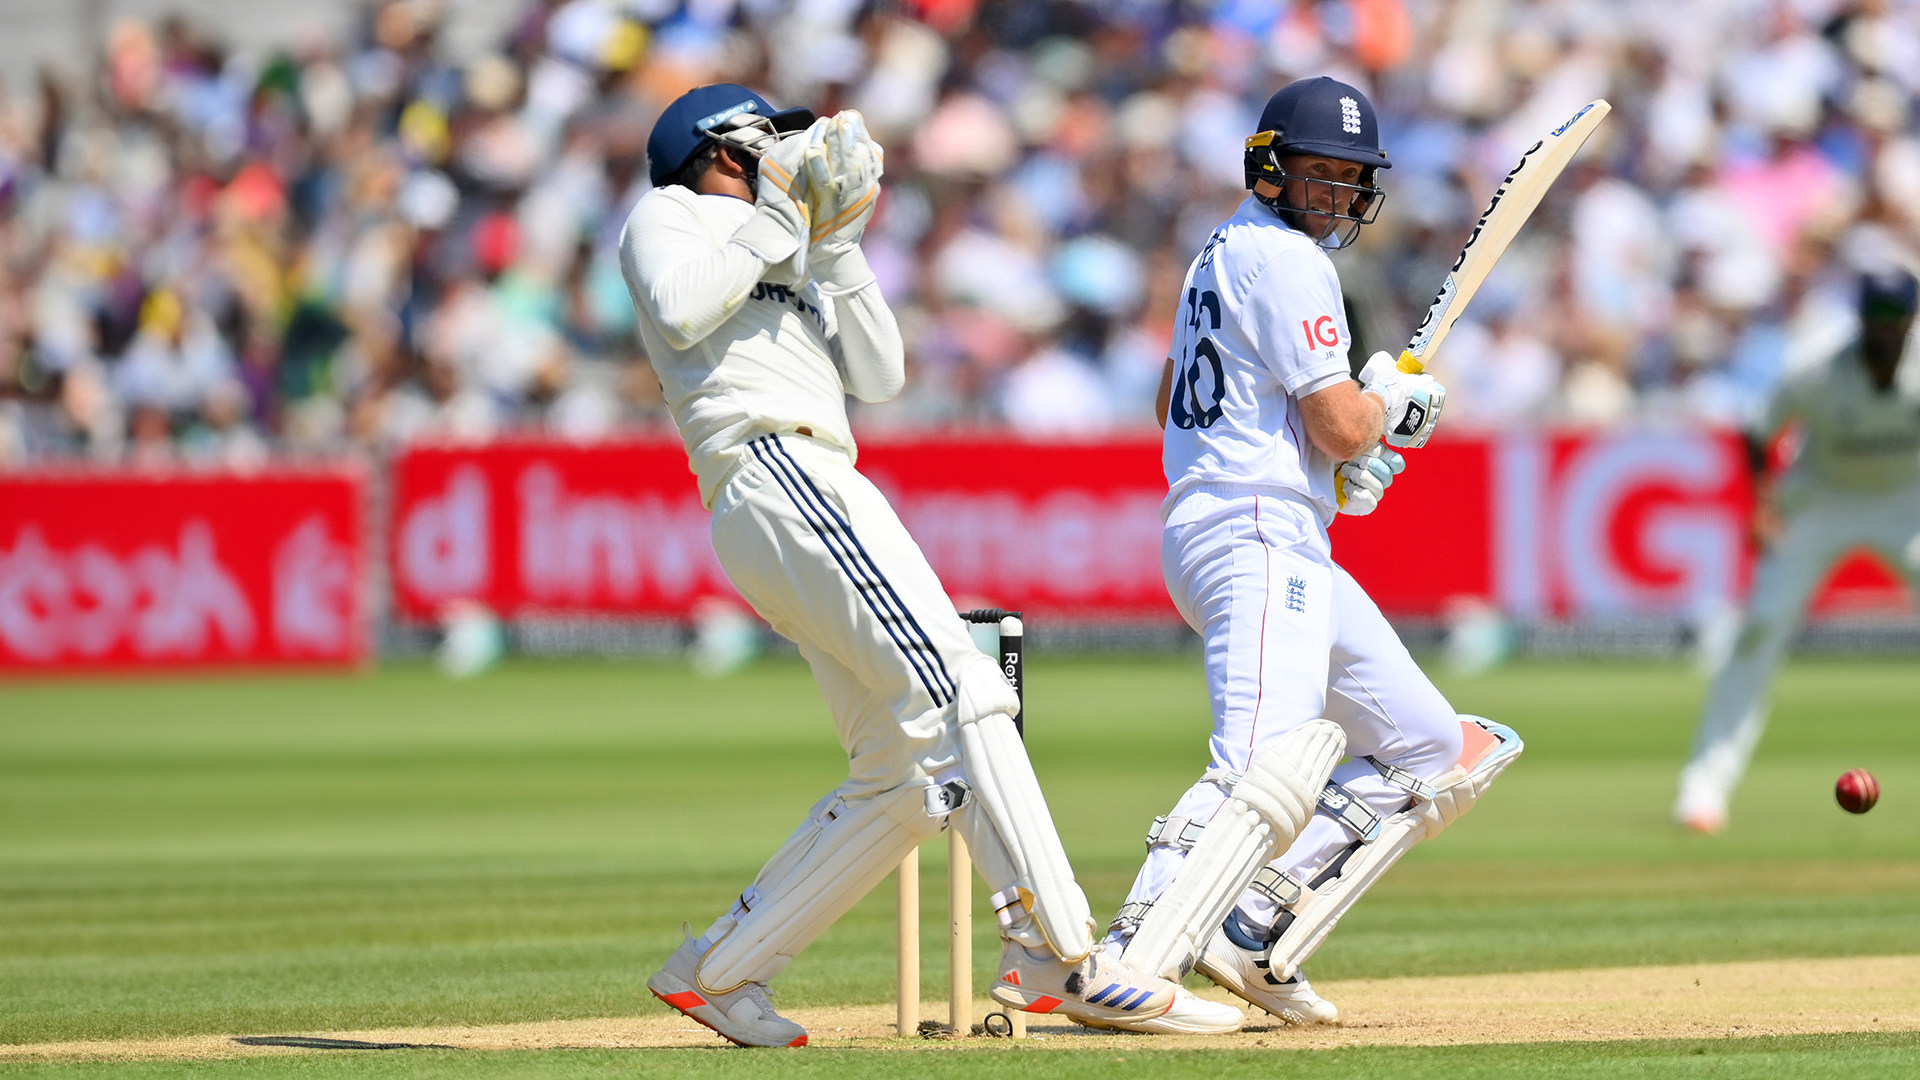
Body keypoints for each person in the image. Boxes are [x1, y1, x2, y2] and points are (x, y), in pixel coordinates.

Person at [620, 84, 1238, 1047]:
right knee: (964, 688)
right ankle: (1064, 952)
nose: (797, 151)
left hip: (804, 477)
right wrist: (782, 218)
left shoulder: (784, 241)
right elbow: (678, 306)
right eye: (774, 140)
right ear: (723, 150)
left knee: (908, 767)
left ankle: (723, 970)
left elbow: (881, 376)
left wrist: (837, 246)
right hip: (773, 466)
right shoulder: (672, 213)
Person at [1101, 76, 1525, 1027]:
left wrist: (1339, 468)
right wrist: (1388, 419)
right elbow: (1339, 422)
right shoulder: (1289, 260)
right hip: (1250, 529)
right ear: (1271, 167)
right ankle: (1127, 951)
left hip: (1265, 521)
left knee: (1432, 743)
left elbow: (1188, 399)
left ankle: (1249, 921)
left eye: (1349, 178)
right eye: (1318, 174)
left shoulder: (1220, 250)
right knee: (1259, 760)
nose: (1334, 194)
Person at [1675, 265, 1920, 834]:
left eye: (1897, 317)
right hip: (1820, 501)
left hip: (1907, 502)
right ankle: (1703, 791)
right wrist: (1764, 505)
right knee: (1759, 627)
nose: (1886, 330)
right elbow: (1760, 429)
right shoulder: (1816, 369)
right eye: (1876, 317)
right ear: (1861, 318)